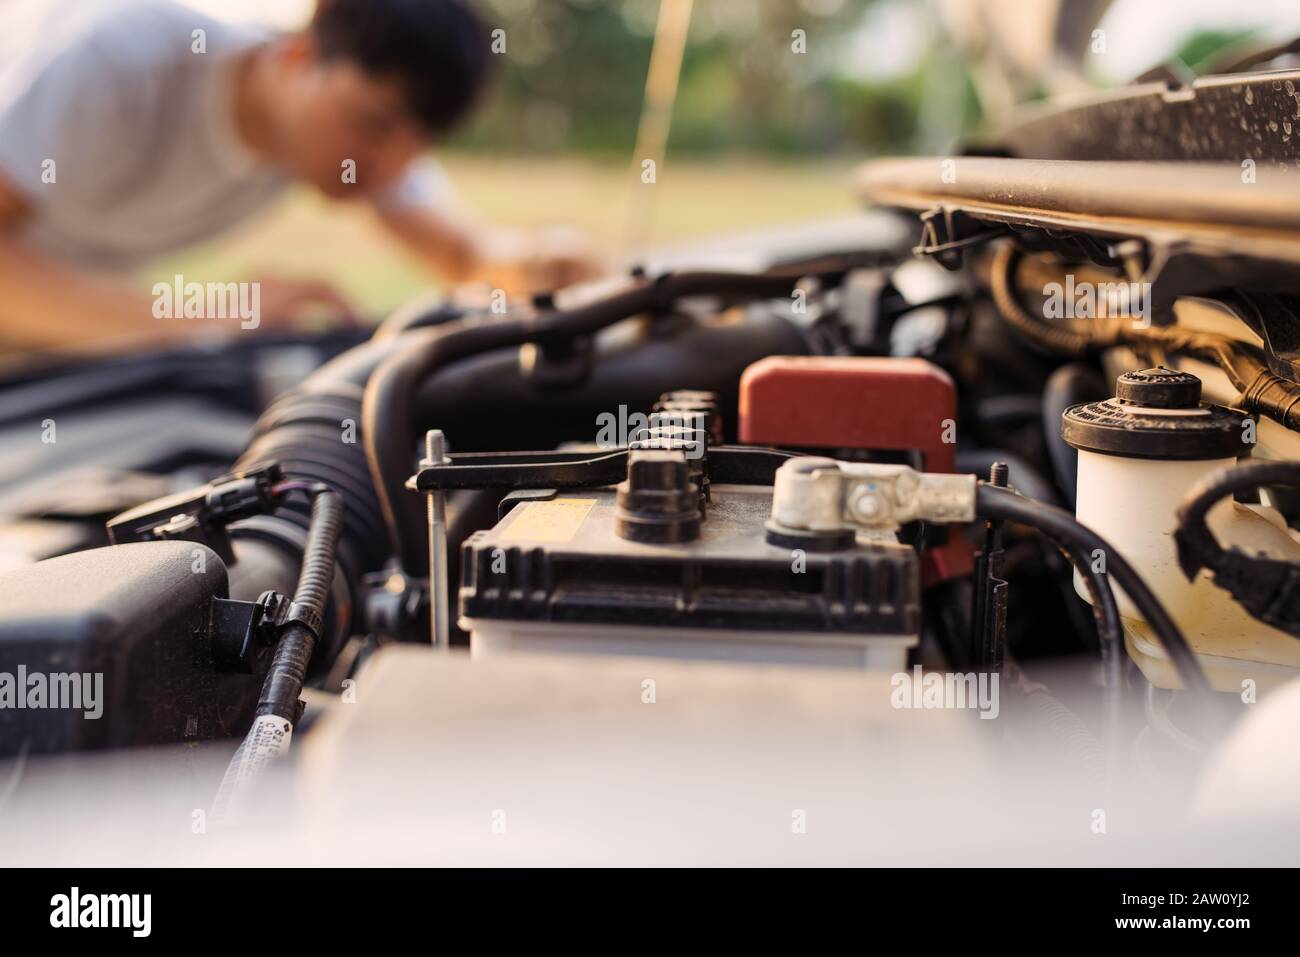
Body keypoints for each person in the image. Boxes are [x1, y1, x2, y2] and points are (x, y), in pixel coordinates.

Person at [0, 0, 601, 351]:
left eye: (419, 144)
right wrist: (213, 314)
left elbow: (467, 258)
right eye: (375, 125)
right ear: (298, 56)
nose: (391, 166)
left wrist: (546, 262)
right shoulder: (115, 64)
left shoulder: (344, 138)